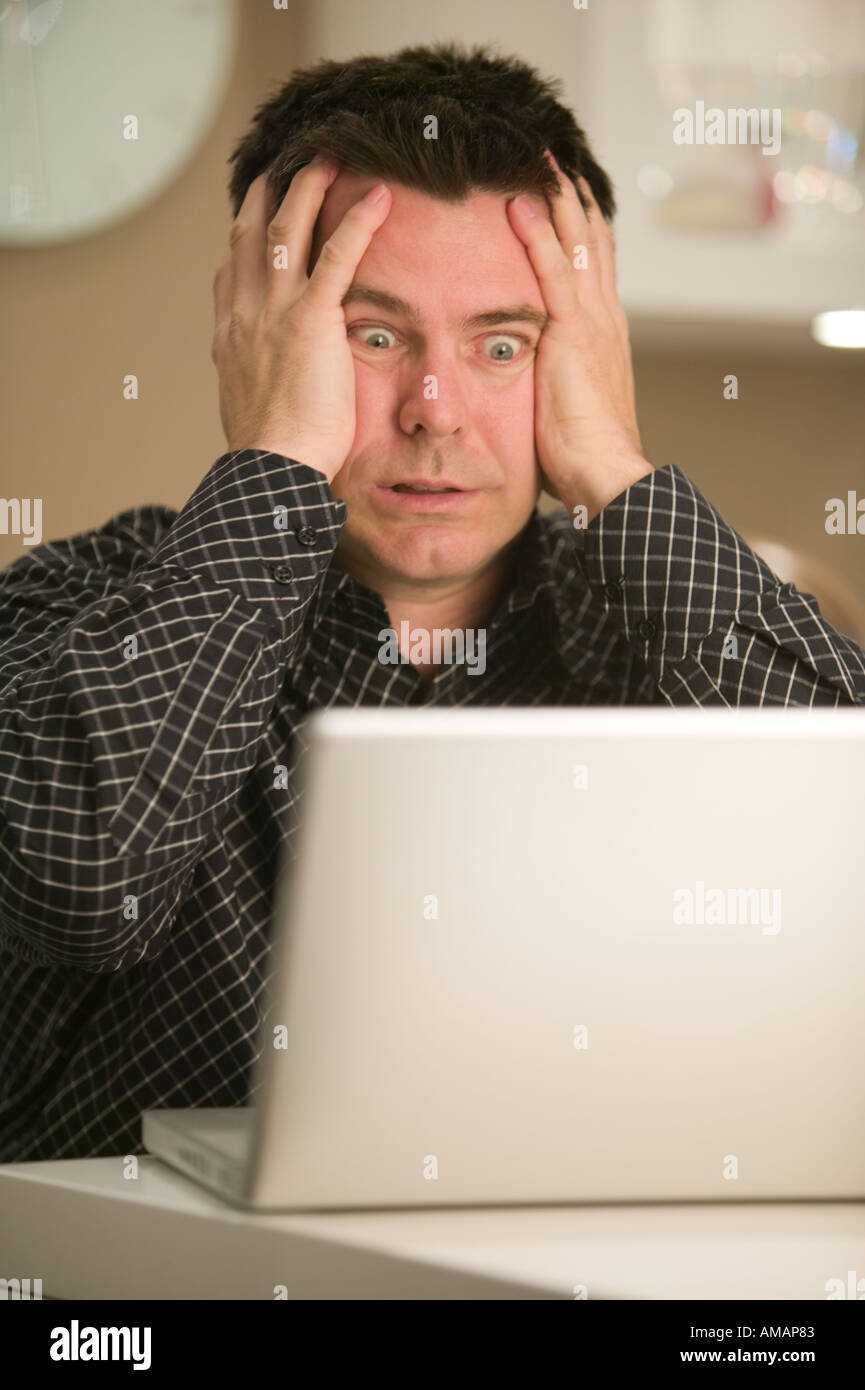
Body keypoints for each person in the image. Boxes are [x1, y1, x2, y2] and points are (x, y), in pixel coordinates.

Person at [1, 43, 863, 1163]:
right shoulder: (70, 608)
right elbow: (87, 879)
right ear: (254, 332)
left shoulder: (669, 631)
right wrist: (276, 463)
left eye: (502, 343)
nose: (435, 409)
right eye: (372, 336)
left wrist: (615, 468)